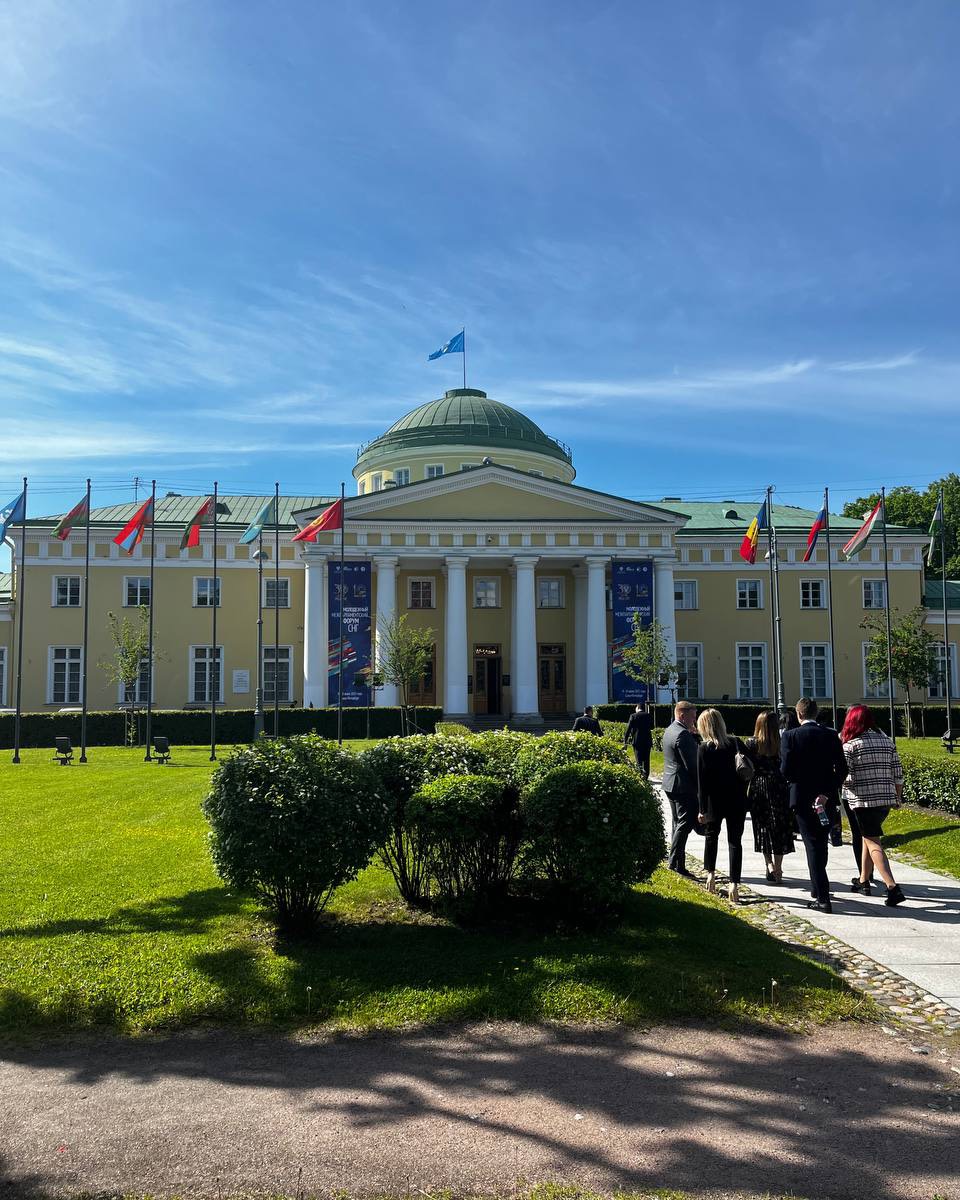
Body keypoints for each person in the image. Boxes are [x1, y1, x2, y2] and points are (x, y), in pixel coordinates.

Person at [780, 697, 848, 913]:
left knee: (812, 845)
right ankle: (818, 887)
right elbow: (842, 769)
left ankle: (823, 896)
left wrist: (798, 781)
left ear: (798, 714)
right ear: (816, 714)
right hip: (825, 798)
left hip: (802, 797)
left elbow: (785, 770)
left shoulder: (790, 736)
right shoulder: (830, 734)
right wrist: (828, 792)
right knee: (820, 842)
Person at [841, 705, 906, 906]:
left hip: (862, 800)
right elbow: (898, 773)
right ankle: (864, 880)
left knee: (873, 842)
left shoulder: (850, 746)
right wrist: (897, 798)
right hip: (885, 799)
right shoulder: (887, 742)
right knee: (867, 838)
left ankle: (892, 887)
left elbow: (845, 777)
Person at [696, 708, 749, 903]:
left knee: (711, 837)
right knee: (735, 842)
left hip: (713, 801)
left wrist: (701, 809)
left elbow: (702, 783)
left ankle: (710, 874)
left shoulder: (704, 748)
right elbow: (749, 767)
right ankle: (734, 883)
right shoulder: (735, 743)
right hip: (736, 800)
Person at [743, 710, 794, 884]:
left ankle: (769, 864)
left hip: (759, 786)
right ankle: (778, 867)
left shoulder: (751, 743)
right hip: (779, 786)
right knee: (779, 826)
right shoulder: (781, 743)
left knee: (762, 826)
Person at [661, 700, 700, 877]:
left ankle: (678, 863)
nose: (695, 720)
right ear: (682, 715)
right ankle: (674, 861)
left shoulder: (670, 730)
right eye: (693, 717)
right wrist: (701, 788)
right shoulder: (682, 734)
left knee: (678, 823)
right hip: (683, 785)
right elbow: (692, 765)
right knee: (684, 823)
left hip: (671, 783)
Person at [624, 701, 654, 778]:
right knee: (646, 760)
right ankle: (646, 776)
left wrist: (625, 741)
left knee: (639, 760)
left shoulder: (633, 716)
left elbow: (628, 729)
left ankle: (640, 775)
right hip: (647, 741)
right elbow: (652, 727)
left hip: (637, 741)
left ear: (637, 708)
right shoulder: (648, 715)